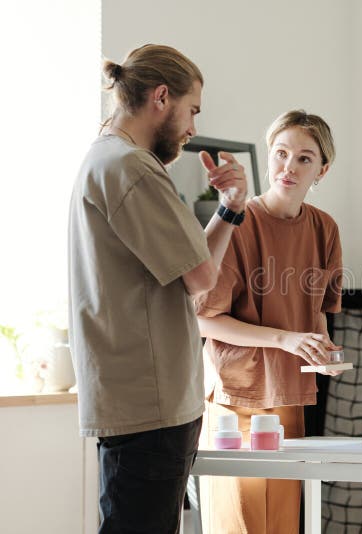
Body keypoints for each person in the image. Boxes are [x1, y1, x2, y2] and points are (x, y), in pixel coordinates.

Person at [68, 44, 248, 533]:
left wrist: (229, 207)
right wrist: (231, 208)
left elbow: (187, 271)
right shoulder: (132, 167)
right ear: (162, 97)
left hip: (133, 396)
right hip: (152, 404)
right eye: (192, 110)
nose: (192, 128)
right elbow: (202, 277)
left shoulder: (104, 158)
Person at [194, 109, 343, 533]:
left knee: (280, 522)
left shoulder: (324, 229)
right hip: (235, 396)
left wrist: (322, 350)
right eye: (281, 153)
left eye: (304, 158)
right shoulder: (236, 226)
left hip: (288, 393)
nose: (289, 166)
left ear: (322, 169)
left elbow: (315, 312)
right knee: (239, 522)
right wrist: (285, 339)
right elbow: (204, 320)